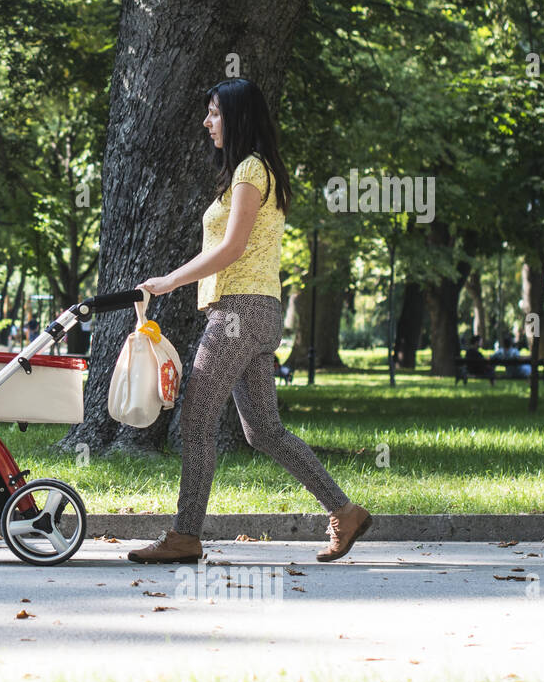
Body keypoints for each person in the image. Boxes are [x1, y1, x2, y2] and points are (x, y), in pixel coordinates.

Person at [127, 78, 371, 565]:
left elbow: (233, 248)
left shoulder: (249, 171)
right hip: (257, 311)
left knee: (196, 423)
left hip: (238, 312)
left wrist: (169, 280)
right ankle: (345, 511)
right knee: (263, 431)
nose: (207, 121)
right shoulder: (259, 170)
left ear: (236, 116)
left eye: (214, 112)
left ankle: (184, 535)